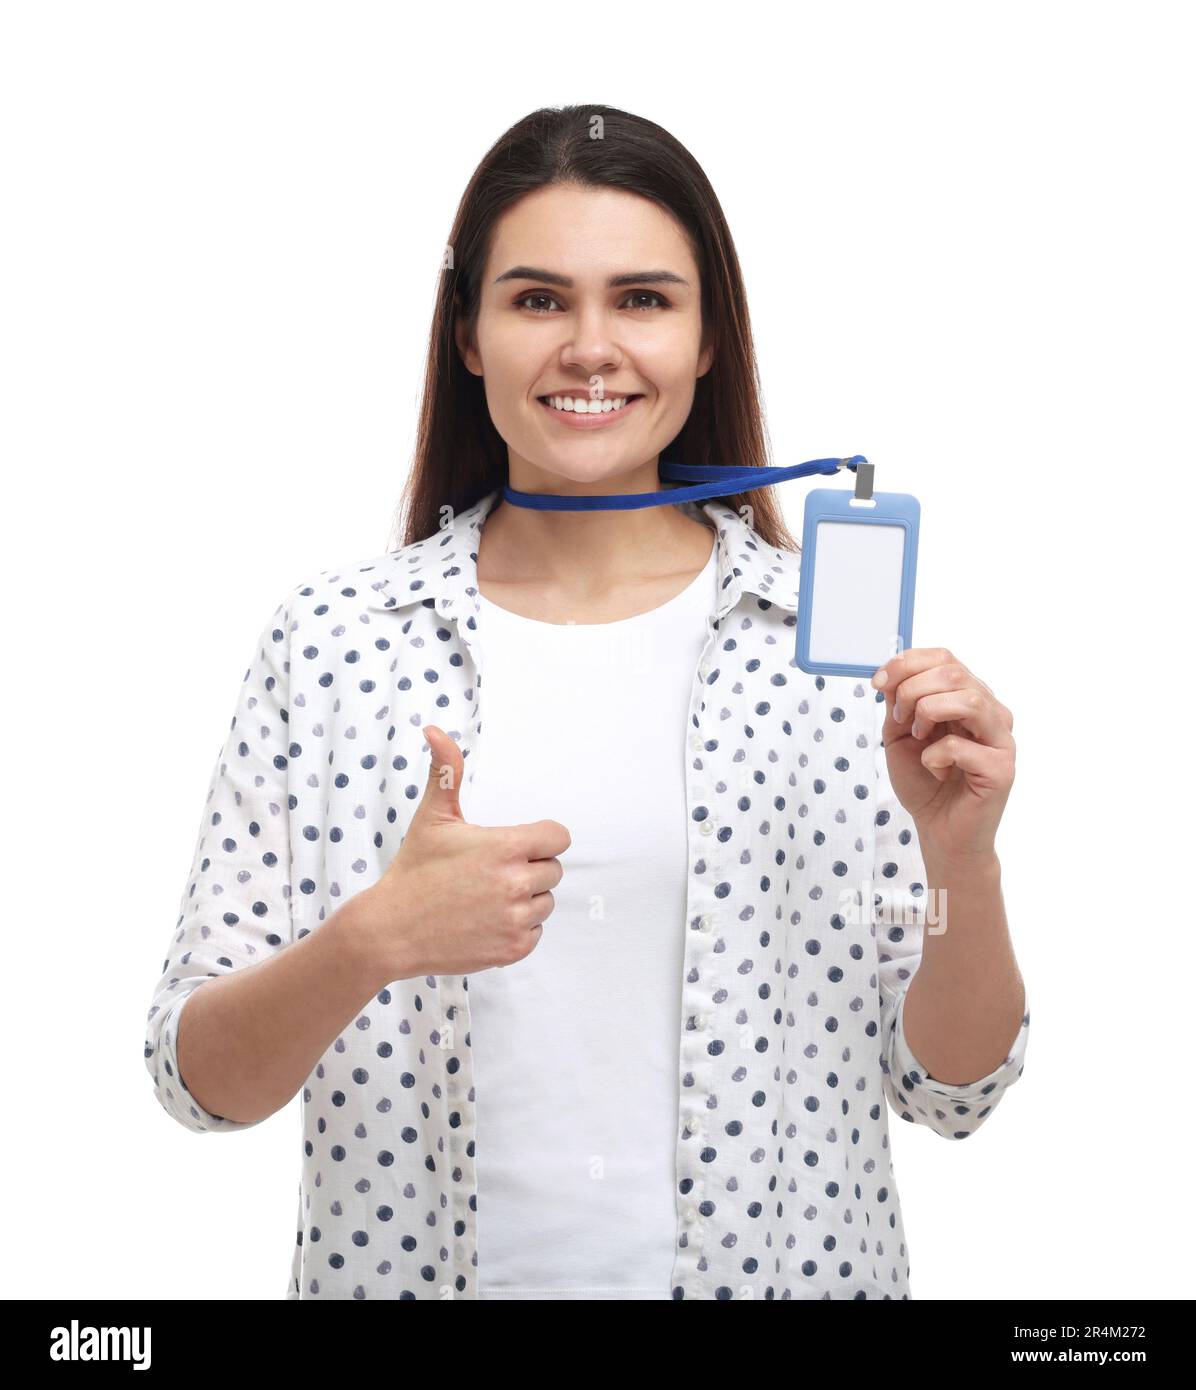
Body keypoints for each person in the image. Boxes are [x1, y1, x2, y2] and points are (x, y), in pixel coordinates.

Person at [143, 104, 1029, 1301]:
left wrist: (958, 861)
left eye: (644, 299)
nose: (590, 347)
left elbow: (951, 1088)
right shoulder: (333, 643)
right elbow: (199, 1083)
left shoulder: (832, 652)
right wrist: (371, 942)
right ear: (467, 334)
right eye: (537, 299)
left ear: (709, 337)